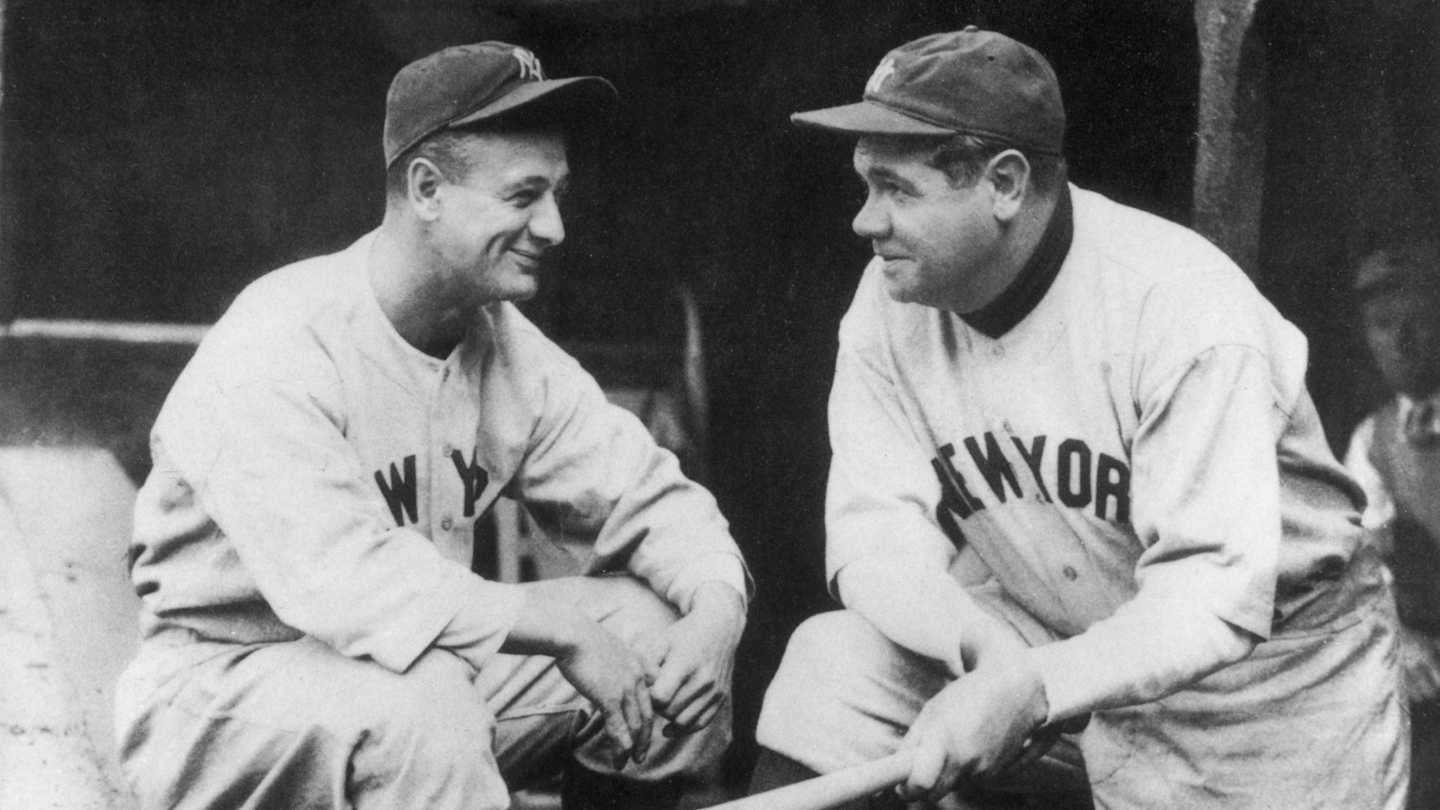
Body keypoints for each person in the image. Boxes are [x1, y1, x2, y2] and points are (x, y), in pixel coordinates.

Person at [749, 27, 1407, 809]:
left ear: (1003, 183)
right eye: (866, 186)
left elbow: (1211, 598)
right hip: (1049, 640)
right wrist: (978, 645)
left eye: (896, 189)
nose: (867, 221)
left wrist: (1029, 686)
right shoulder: (890, 304)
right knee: (836, 667)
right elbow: (872, 535)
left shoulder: (1178, 304)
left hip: (1264, 695)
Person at [114, 41, 749, 810]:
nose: (553, 226)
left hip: (404, 675)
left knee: (652, 636)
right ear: (426, 189)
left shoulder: (502, 343)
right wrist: (560, 628)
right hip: (222, 693)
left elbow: (648, 495)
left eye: (558, 194)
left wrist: (717, 610)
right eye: (523, 196)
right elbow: (347, 584)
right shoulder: (280, 338)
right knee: (429, 709)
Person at [1344, 232, 1440, 809]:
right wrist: (1401, 640)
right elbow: (1357, 570)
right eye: (1382, 323)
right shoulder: (1373, 443)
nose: (1400, 340)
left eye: (1418, 319)